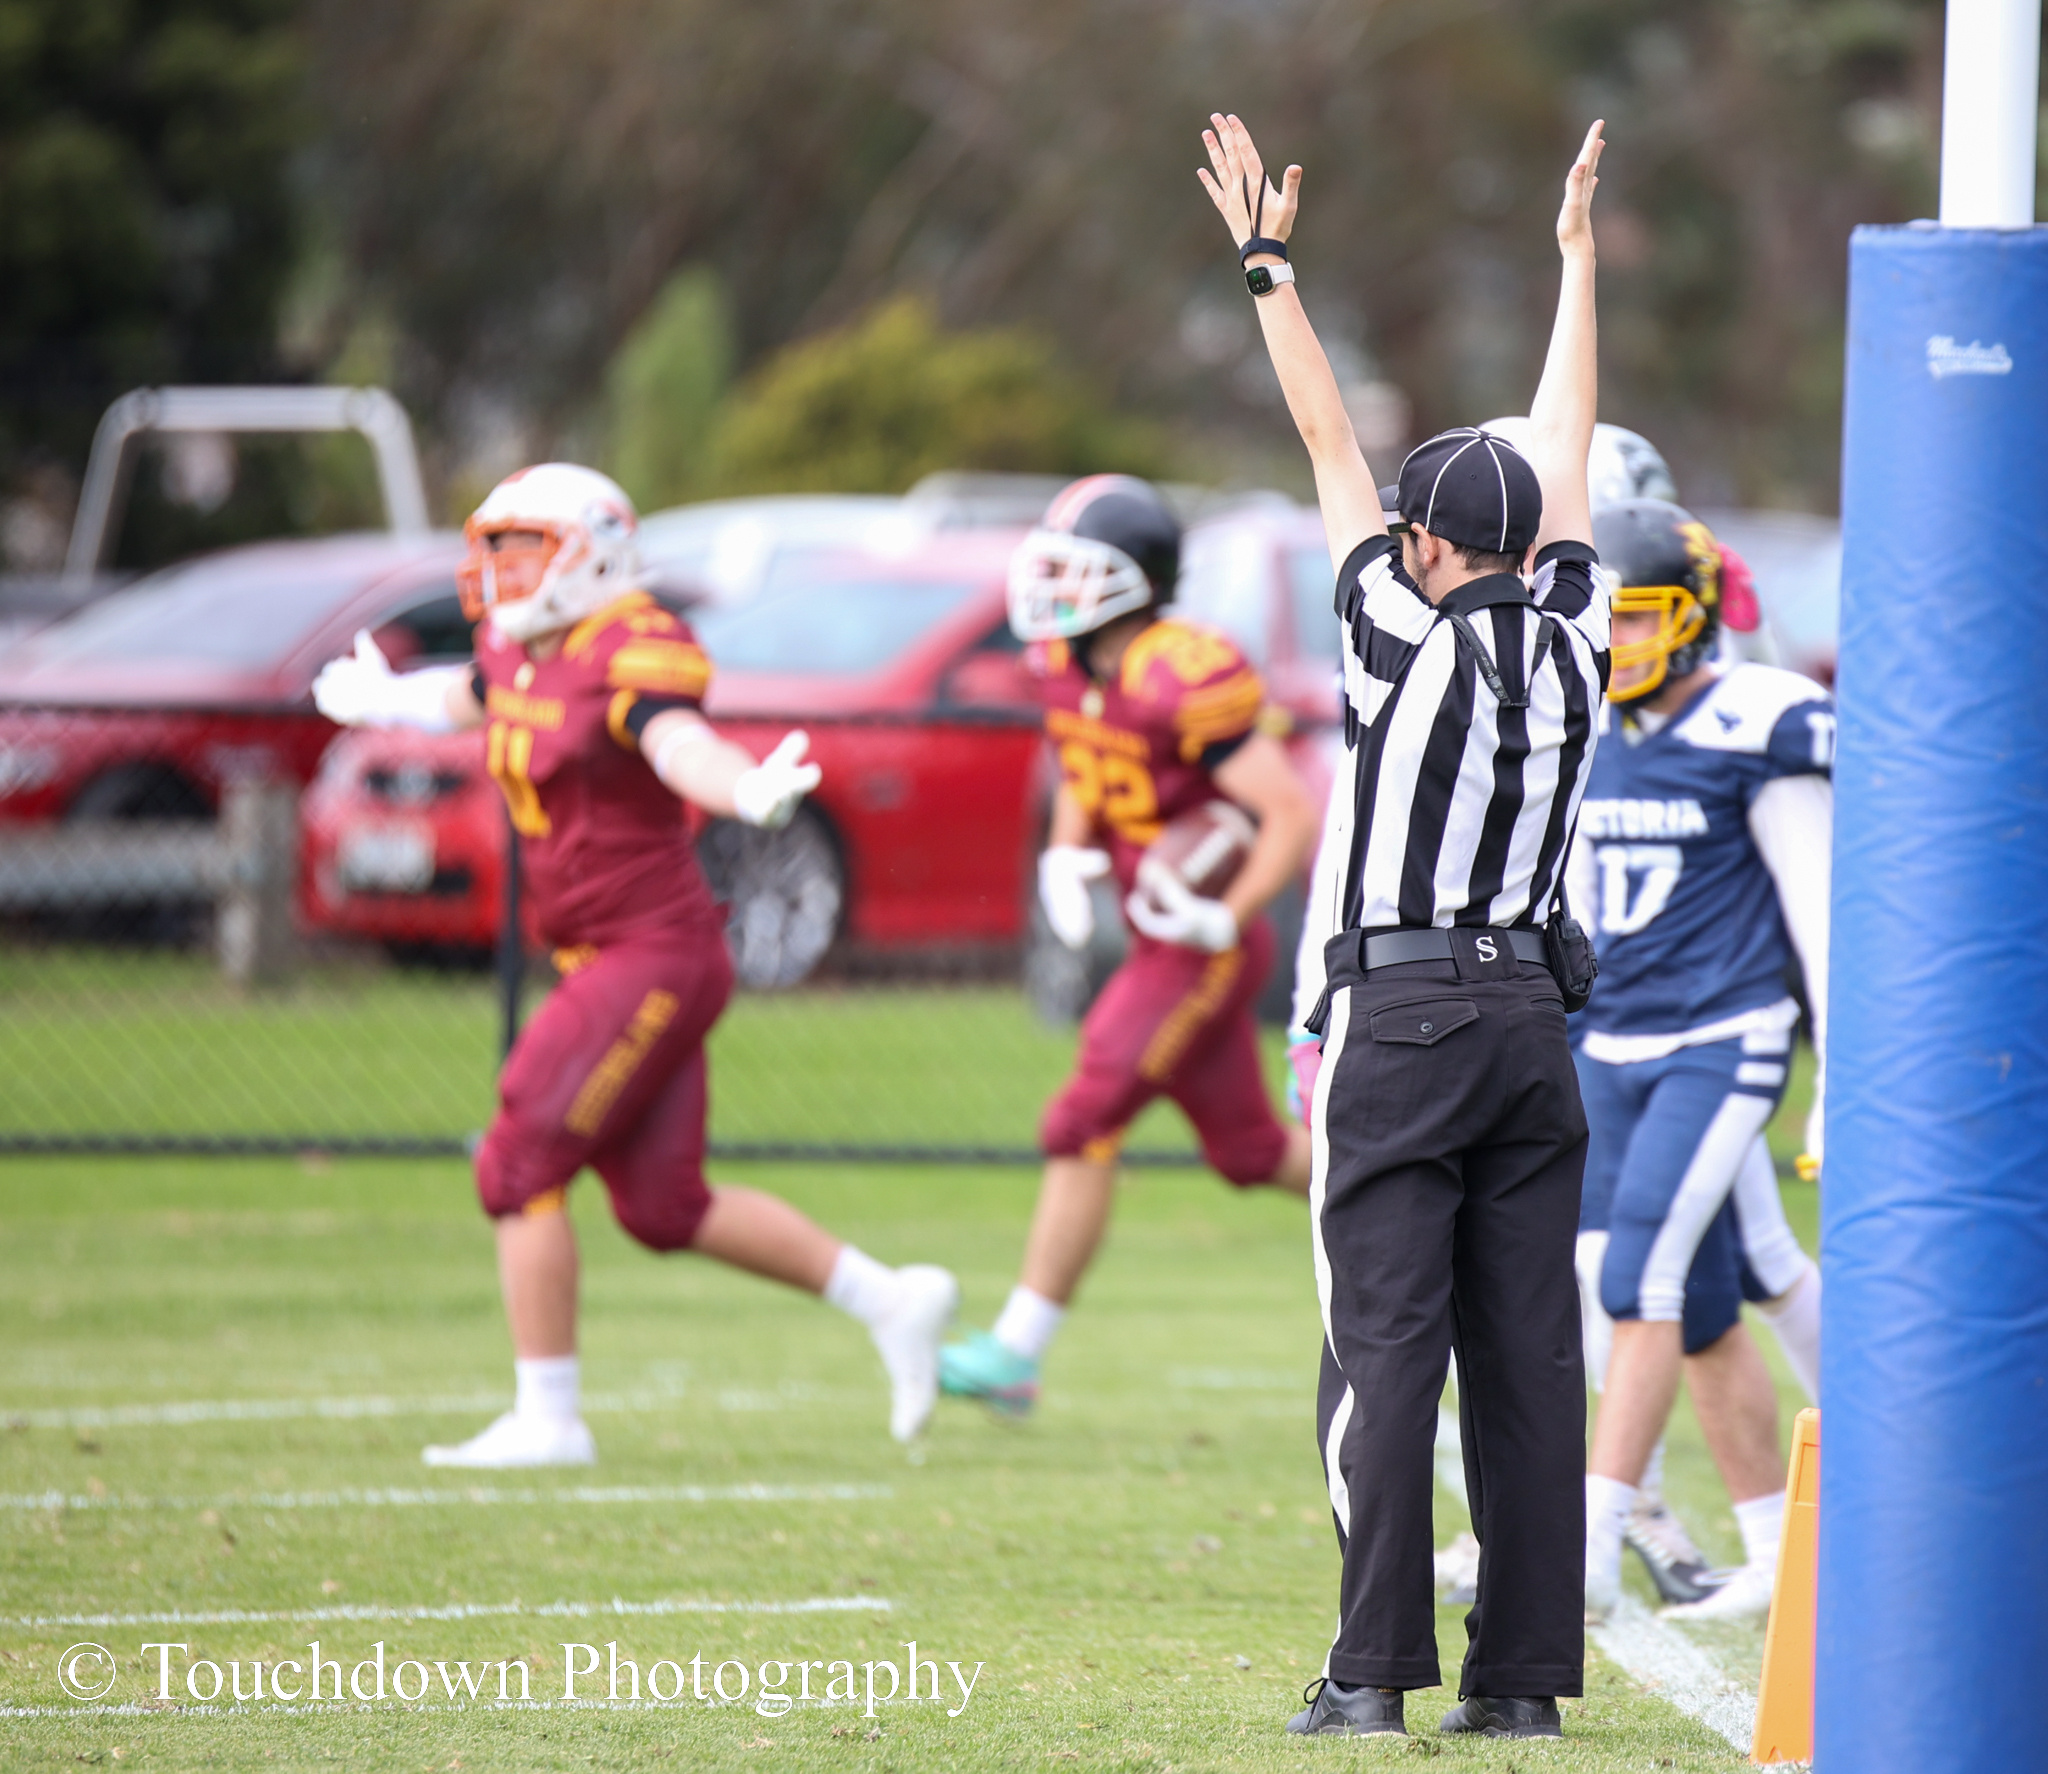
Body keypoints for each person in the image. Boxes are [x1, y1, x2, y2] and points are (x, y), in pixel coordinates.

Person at [1202, 112, 1609, 1740]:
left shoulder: (1391, 627)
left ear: (1429, 545)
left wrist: (1265, 270)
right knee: (1524, 1359)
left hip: (1401, 1016)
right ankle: (1516, 1687)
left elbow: (1322, 444)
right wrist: (1574, 265)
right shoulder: (1579, 636)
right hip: (1529, 1028)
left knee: (1382, 1346)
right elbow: (1566, 450)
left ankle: (1368, 1668)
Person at [311, 463, 958, 1466]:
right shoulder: (526, 643)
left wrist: (746, 789)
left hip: (650, 951)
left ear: (593, 554)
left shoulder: (632, 644)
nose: (498, 571)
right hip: (606, 954)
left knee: (518, 1154)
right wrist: (389, 693)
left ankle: (548, 1417)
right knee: (665, 1207)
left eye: (521, 550)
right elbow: (479, 692)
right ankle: (892, 1299)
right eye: (494, 550)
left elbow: (676, 742)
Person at [938, 474, 1320, 1415]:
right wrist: (1067, 858)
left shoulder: (1178, 669)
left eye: (1078, 571)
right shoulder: (1073, 667)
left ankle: (1018, 1348)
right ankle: (1437, 1191)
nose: (1054, 587)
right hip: (1160, 937)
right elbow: (1082, 753)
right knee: (1252, 1152)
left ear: (1134, 580)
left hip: (1202, 945)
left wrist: (1228, 918)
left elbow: (1288, 813)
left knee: (1083, 1115)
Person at [1567, 496, 1830, 1621]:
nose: (1612, 642)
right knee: (1723, 1284)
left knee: (1642, 1280)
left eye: (1632, 619)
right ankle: (1783, 1548)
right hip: (1610, 1037)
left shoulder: (1755, 720)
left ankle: (1577, 1548)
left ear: (1685, 617)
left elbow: (1821, 916)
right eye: (1600, 622)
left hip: (1718, 1037)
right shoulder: (1588, 732)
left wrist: (1841, 1089)